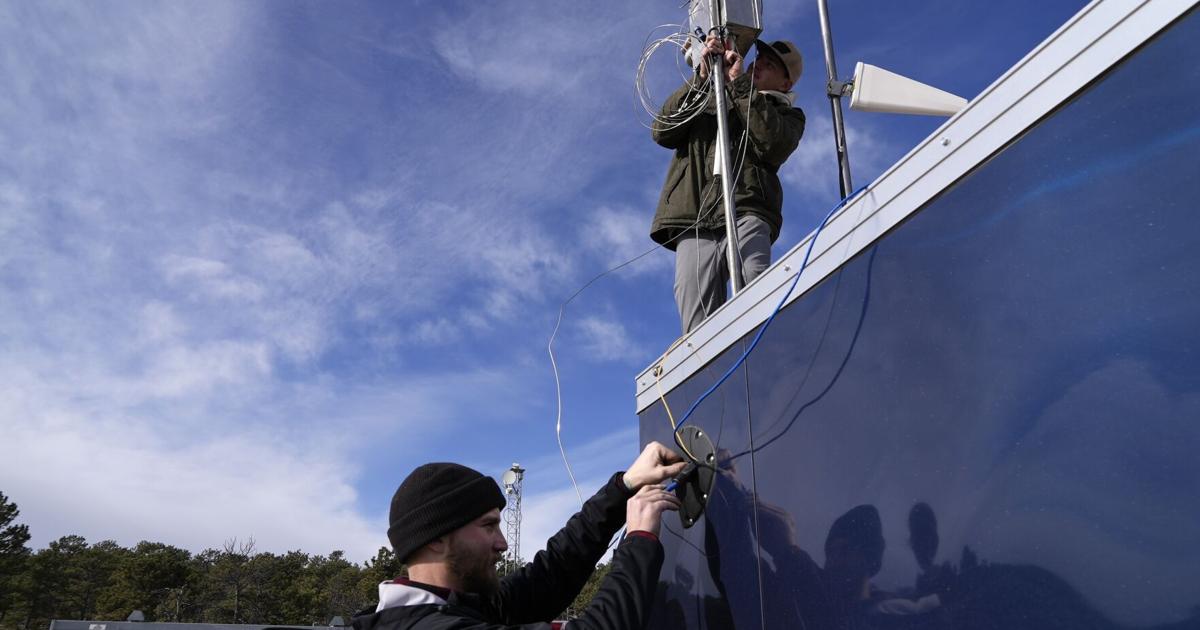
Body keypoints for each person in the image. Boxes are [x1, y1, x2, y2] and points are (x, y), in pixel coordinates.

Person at [352, 442, 686, 630]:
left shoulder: (457, 608)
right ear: (435, 539)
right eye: (487, 526)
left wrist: (624, 486)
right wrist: (640, 537)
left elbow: (553, 571)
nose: (503, 542)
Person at [650, 34, 806, 334]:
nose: (759, 65)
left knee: (756, 290)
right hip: (695, 218)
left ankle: (765, 364)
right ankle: (712, 377)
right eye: (760, 59)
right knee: (696, 322)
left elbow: (775, 144)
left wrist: (739, 86)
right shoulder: (709, 93)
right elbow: (662, 130)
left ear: (786, 84)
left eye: (771, 65)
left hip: (747, 211)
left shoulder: (788, 114)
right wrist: (702, 77)